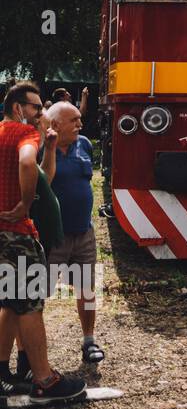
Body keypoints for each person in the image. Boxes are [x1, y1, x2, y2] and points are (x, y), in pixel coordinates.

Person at [0, 82, 86, 402]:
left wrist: (48, 148)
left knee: (9, 302)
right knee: (30, 307)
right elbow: (26, 164)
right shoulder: (23, 135)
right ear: (19, 109)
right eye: (36, 107)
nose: (41, 112)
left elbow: (43, 179)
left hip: (3, 236)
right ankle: (44, 382)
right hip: (17, 235)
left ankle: (2, 374)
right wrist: (24, 204)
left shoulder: (3, 133)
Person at [44, 101, 104, 362]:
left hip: (83, 233)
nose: (80, 124)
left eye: (80, 119)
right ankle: (30, 354)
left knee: (87, 288)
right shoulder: (40, 149)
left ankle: (89, 341)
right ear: (55, 125)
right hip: (52, 236)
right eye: (75, 120)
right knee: (37, 293)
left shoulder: (85, 145)